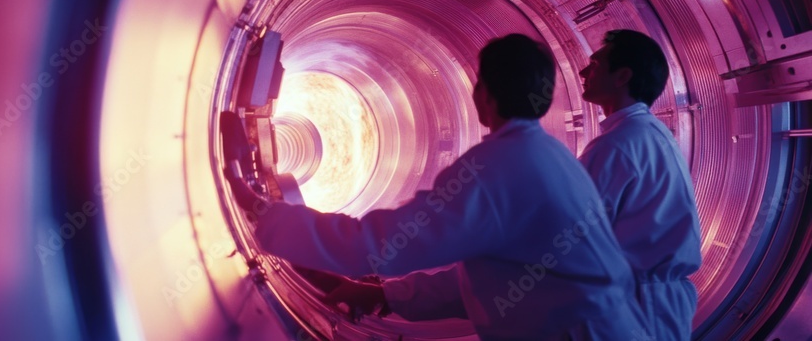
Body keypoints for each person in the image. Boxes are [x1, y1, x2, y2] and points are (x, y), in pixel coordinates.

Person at [223, 34, 651, 340]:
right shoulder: (552, 157)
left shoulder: (500, 167)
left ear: (484, 95)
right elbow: (491, 281)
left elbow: (380, 244)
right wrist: (385, 295)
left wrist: (263, 211)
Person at [577, 29, 702, 340]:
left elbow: (573, 235)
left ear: (622, 76)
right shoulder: (651, 134)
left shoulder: (615, 145)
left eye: (595, 65)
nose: (583, 72)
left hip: (634, 305)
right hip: (656, 304)